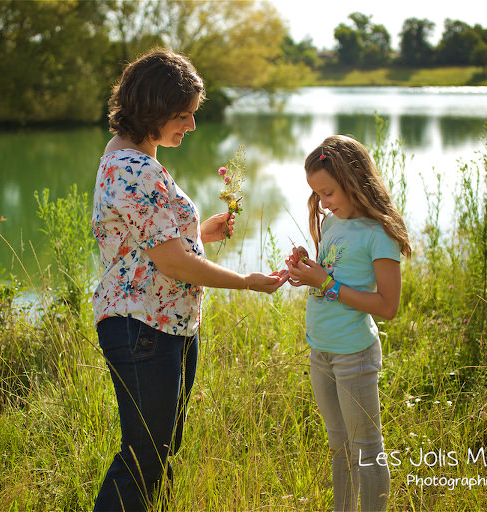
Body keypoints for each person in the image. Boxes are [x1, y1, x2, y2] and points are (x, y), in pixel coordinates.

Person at [91, 48, 288, 512]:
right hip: (142, 329)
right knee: (143, 458)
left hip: (165, 326)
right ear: (153, 110)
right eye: (183, 115)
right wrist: (246, 282)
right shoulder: (135, 169)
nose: (192, 126)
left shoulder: (131, 156)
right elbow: (173, 265)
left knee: (158, 451)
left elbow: (143, 244)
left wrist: (197, 233)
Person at [285, 135, 411, 512]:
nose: (324, 203)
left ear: (355, 179)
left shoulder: (379, 233)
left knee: (366, 451)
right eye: (318, 195)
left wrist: (325, 282)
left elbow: (388, 306)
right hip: (320, 350)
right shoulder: (334, 223)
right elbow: (333, 275)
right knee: (338, 445)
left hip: (353, 355)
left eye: (329, 192)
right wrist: (308, 267)